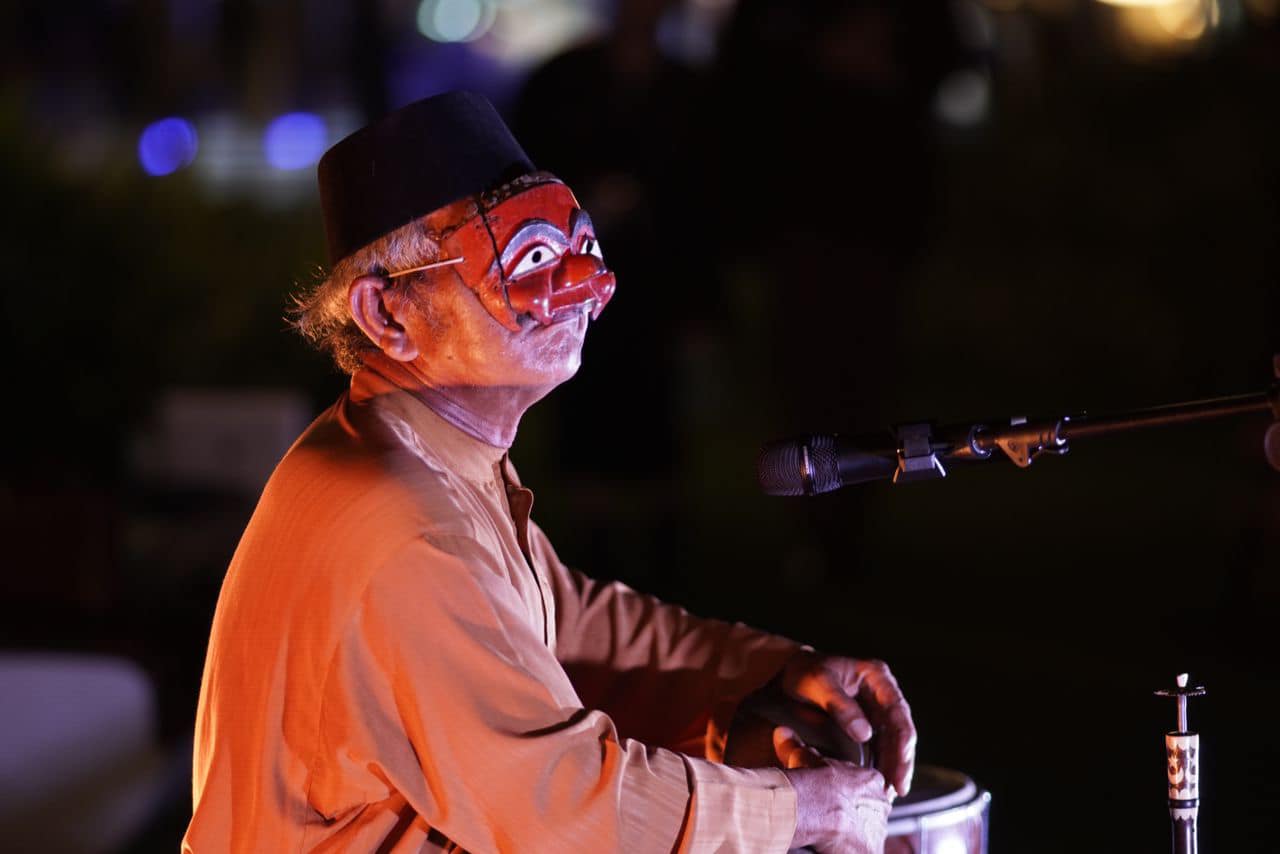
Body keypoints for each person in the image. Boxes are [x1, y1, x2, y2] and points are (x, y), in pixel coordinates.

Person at [184, 91, 916, 853]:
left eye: (581, 246)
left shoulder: (426, 459)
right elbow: (562, 804)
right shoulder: (402, 524)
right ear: (388, 314)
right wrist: (799, 811)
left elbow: (569, 627)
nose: (586, 290)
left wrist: (766, 669)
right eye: (528, 258)